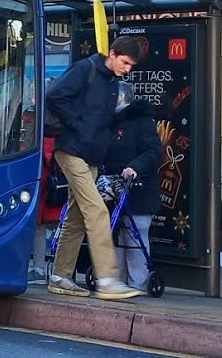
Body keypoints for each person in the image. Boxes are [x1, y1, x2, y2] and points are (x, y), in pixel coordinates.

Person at [44, 34, 146, 300]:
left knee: (77, 216)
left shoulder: (112, 81)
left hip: (90, 155)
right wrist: (78, 126)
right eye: (125, 62)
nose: (127, 69)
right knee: (97, 211)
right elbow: (55, 96)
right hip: (71, 151)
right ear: (111, 53)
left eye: (131, 66)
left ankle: (60, 276)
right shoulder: (85, 69)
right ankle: (108, 279)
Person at [101, 97, 161, 291]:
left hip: (138, 187)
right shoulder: (113, 122)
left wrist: (134, 166)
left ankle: (137, 282)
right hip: (116, 186)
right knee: (118, 234)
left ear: (121, 98)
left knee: (135, 232)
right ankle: (118, 280)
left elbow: (153, 152)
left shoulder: (142, 123)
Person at [29, 134, 63, 283]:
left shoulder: (45, 136)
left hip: (48, 188)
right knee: (61, 229)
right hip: (58, 188)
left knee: (40, 228)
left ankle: (39, 269)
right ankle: (59, 271)